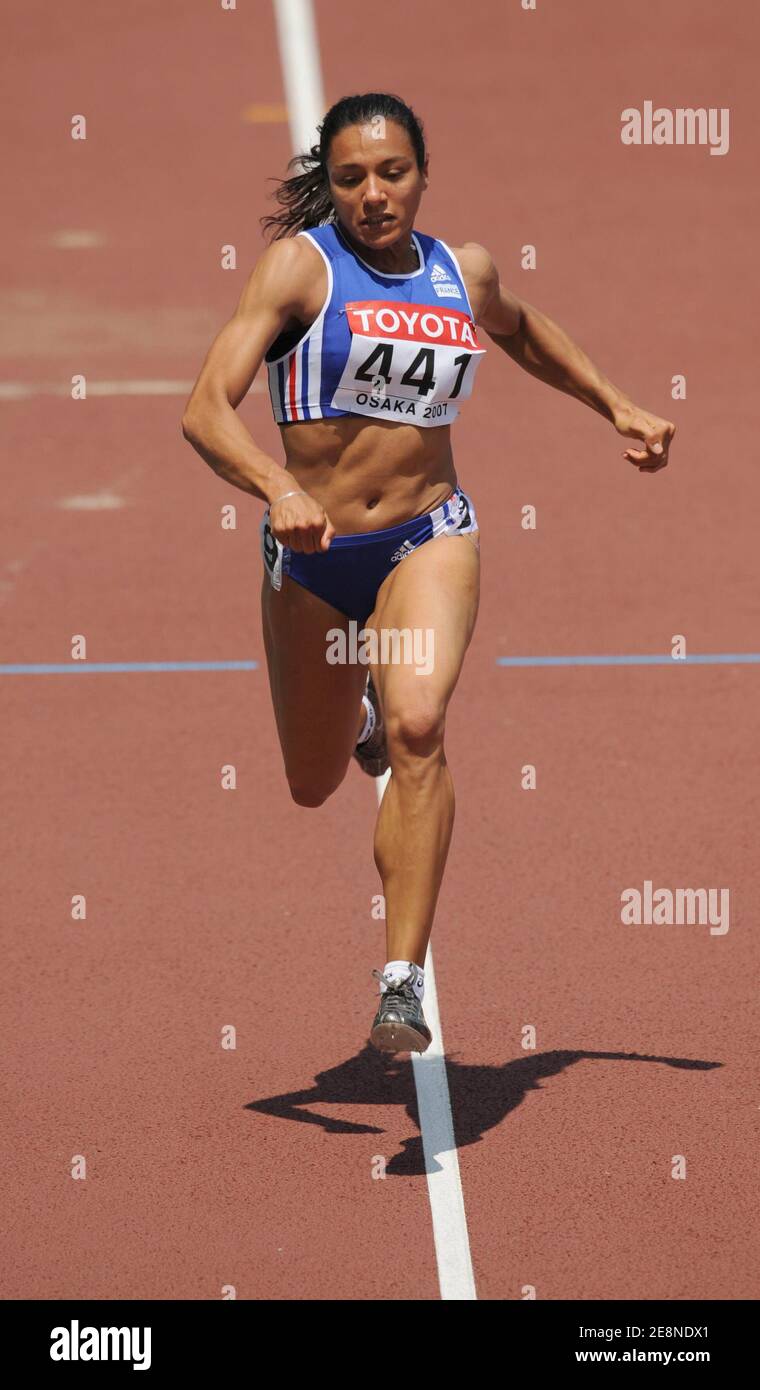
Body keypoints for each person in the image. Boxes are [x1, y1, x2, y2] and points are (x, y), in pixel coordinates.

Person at [181, 92, 675, 1056]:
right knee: (312, 782)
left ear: (423, 172)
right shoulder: (299, 270)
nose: (373, 195)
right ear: (330, 184)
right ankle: (353, 720)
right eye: (352, 177)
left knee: (421, 724)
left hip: (425, 537)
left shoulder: (462, 272)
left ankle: (401, 981)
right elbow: (205, 409)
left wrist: (615, 405)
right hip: (317, 561)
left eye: (392, 173)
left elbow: (522, 328)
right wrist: (276, 486)